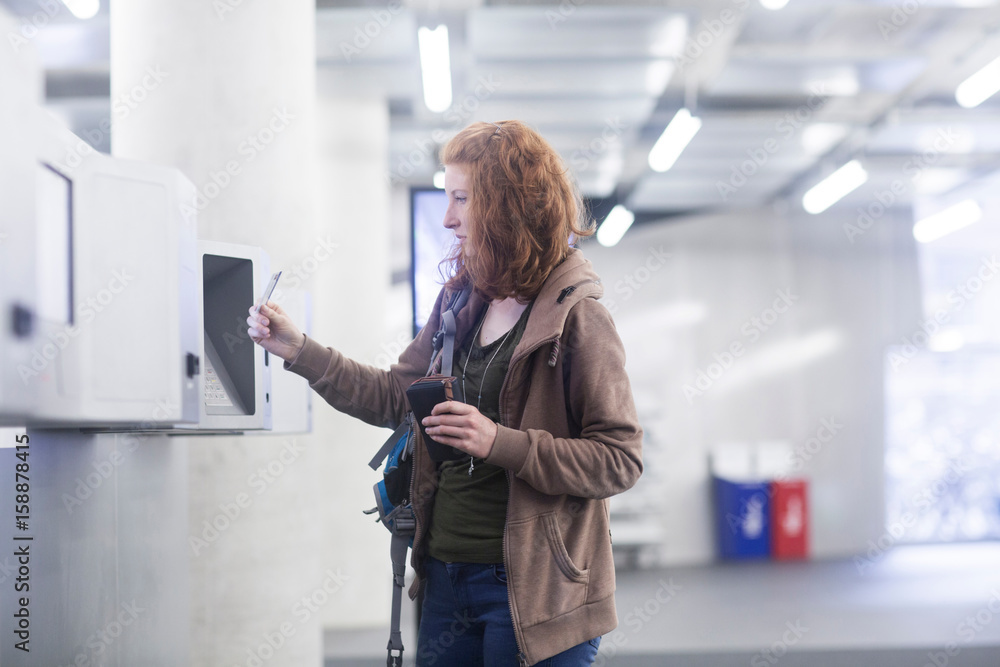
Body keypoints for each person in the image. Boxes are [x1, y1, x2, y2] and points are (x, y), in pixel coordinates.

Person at [247, 120, 643, 666]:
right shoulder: (459, 303)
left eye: (462, 198)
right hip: (443, 577)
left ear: (507, 204)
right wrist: (300, 351)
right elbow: (394, 398)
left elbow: (619, 460)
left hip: (535, 591)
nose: (449, 217)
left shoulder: (580, 318)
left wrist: (500, 442)